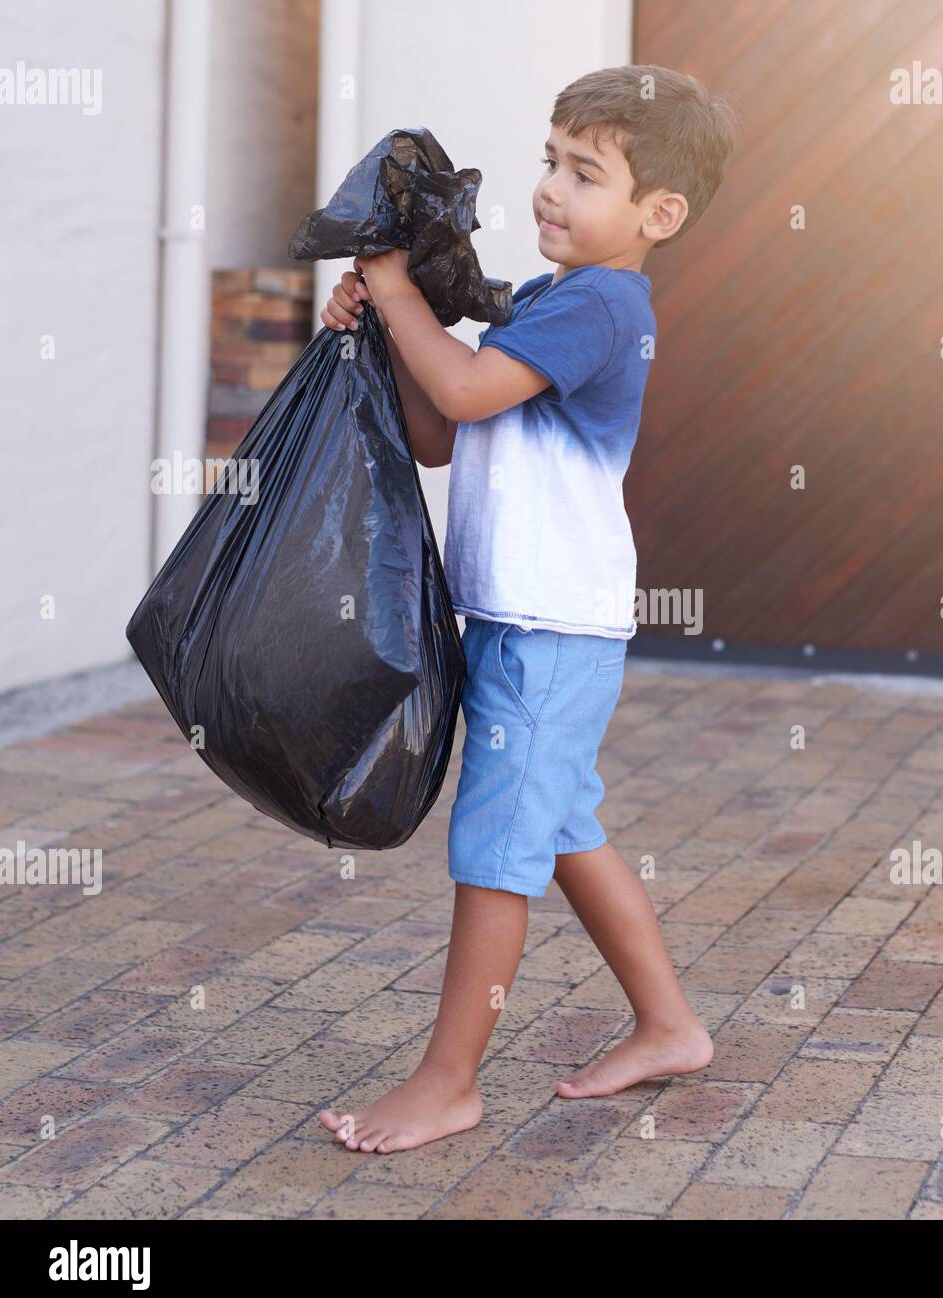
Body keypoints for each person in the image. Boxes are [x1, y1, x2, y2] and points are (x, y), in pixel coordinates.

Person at [317, 64, 740, 1153]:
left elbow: (461, 388)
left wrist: (396, 285)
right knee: (556, 830)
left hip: (551, 624)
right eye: (550, 159)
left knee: (496, 846)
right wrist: (379, 325)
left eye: (584, 171)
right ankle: (668, 1024)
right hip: (523, 618)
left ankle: (448, 1080)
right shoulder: (556, 298)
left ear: (659, 213)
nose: (551, 187)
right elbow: (442, 429)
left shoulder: (601, 303)